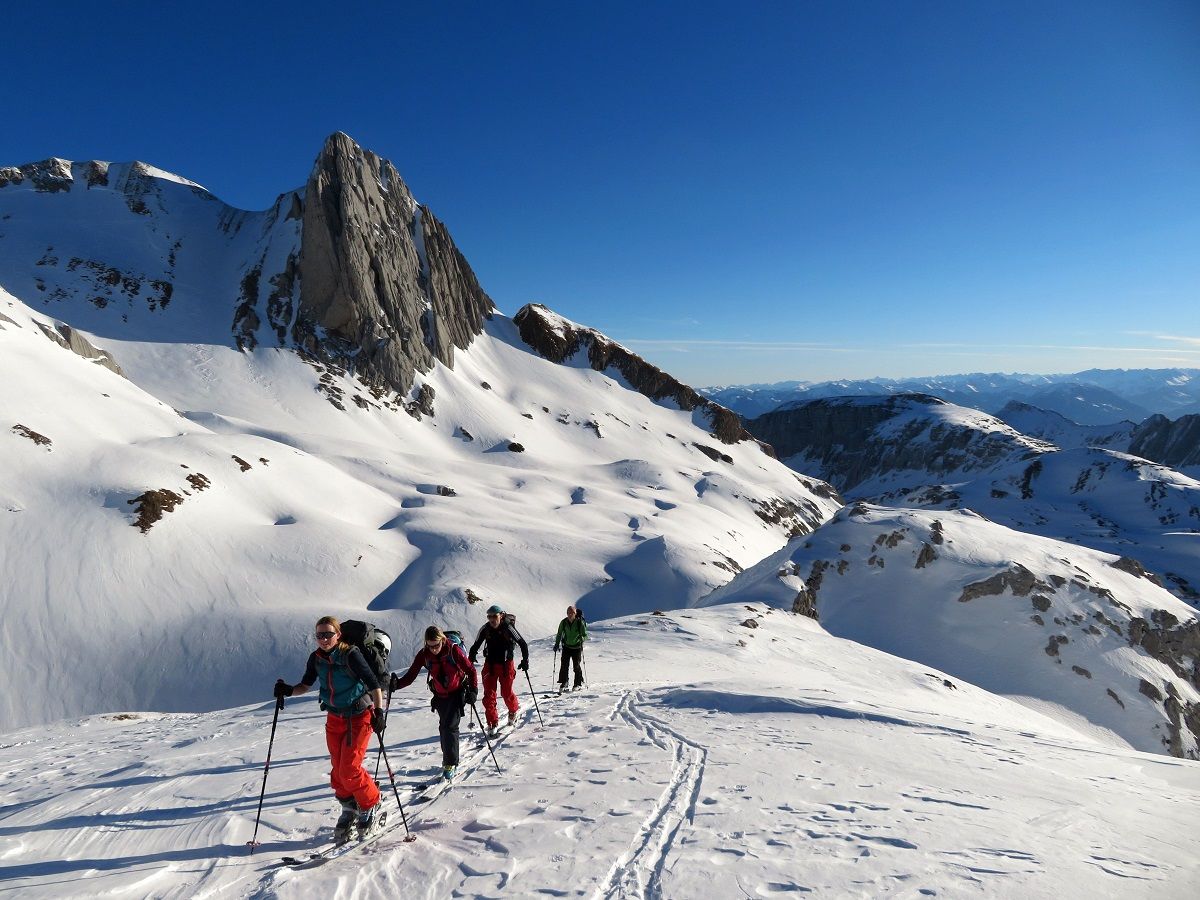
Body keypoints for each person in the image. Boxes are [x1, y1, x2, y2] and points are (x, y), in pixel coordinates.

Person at [274, 616, 386, 843]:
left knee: (350, 769)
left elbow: (373, 684)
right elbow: (305, 685)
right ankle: (350, 806)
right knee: (337, 772)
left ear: (338, 635)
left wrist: (379, 712)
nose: (324, 639)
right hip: (334, 718)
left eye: (328, 634)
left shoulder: (351, 654)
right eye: (319, 635)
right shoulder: (316, 659)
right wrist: (287, 690)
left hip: (358, 716)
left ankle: (371, 802)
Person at [389, 626, 478, 781]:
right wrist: (396, 685)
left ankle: (450, 763)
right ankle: (448, 759)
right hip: (440, 695)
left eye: (436, 645)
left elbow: (471, 670)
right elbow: (410, 676)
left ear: (442, 640)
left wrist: (473, 690)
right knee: (444, 727)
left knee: (450, 727)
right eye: (430, 645)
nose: (434, 649)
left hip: (457, 693)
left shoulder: (453, 651)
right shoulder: (424, 655)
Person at [468, 604, 529, 736]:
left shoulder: (508, 627)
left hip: (506, 665)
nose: (491, 619)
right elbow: (476, 645)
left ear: (501, 616)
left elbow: (522, 643)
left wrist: (525, 660)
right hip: (489, 665)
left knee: (506, 693)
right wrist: (471, 657)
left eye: (494, 616)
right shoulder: (485, 629)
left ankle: (513, 711)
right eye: (489, 616)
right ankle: (492, 722)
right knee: (489, 695)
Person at [553, 605, 588, 693]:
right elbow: (559, 634)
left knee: (576, 666)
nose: (570, 614)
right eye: (568, 613)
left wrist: (581, 639)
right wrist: (556, 644)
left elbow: (585, 635)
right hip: (566, 647)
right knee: (564, 665)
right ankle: (564, 682)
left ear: (575, 613)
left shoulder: (579, 623)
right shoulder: (563, 622)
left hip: (577, 647)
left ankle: (578, 684)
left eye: (572, 613)